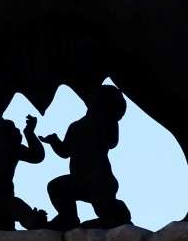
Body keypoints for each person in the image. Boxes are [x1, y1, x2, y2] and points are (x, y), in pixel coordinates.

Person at [40, 85, 132, 231]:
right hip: (80, 178)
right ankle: (68, 218)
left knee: (103, 204)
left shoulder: (107, 122)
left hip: (100, 178)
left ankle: (116, 217)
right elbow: (65, 152)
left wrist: (102, 128)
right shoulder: (76, 126)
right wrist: (54, 141)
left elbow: (112, 142)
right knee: (56, 187)